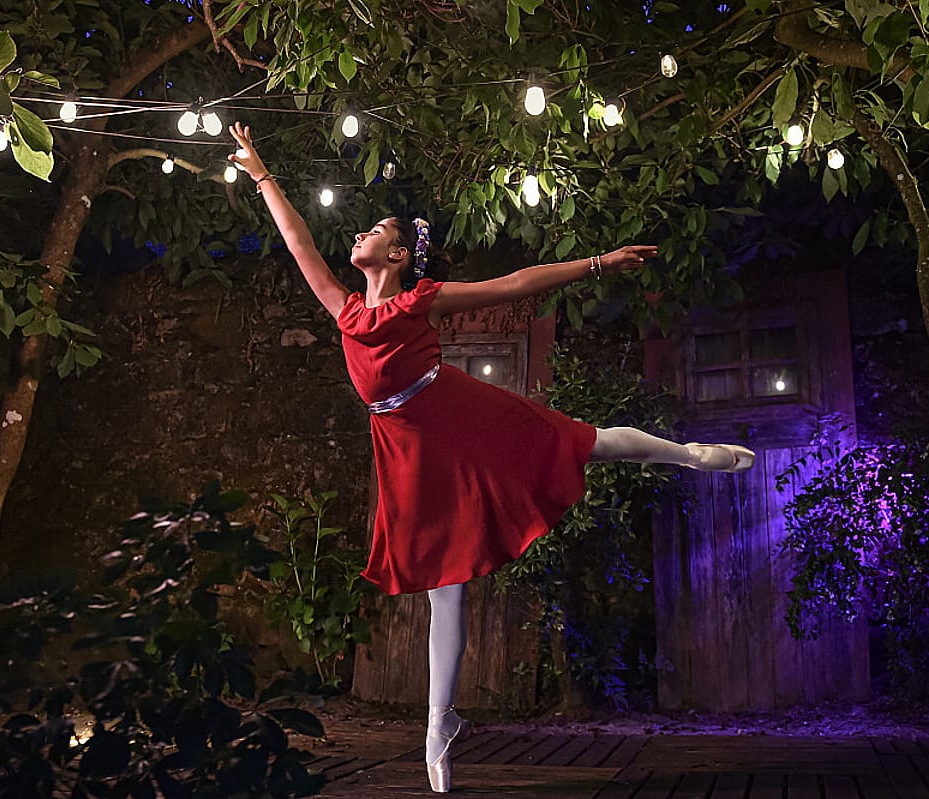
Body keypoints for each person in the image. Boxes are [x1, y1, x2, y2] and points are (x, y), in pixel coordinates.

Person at [228, 123, 754, 793]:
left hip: (460, 414)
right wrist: (261, 173)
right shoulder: (345, 310)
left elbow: (515, 283)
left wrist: (598, 263)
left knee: (583, 441)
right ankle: (438, 726)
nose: (359, 234)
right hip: (407, 446)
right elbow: (297, 239)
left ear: (397, 254)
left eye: (375, 230)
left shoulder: (422, 300)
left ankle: (689, 455)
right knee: (444, 584)